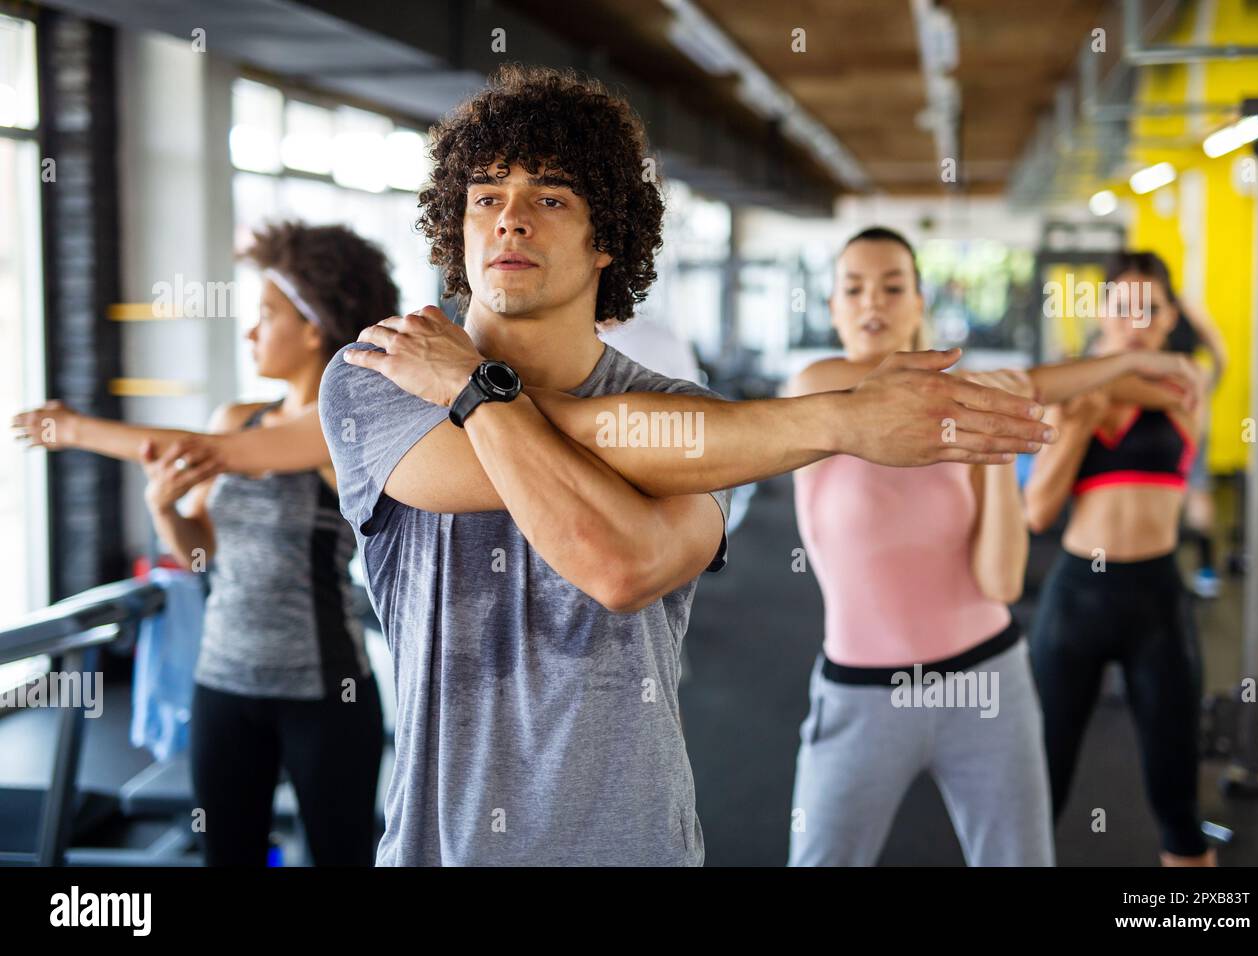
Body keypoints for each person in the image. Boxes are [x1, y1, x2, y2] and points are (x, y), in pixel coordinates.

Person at [316, 64, 1056, 866]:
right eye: (486, 197)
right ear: (456, 226)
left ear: (607, 240)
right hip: (443, 848)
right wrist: (832, 421)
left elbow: (623, 564)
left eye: (551, 197)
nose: (510, 220)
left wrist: (474, 392)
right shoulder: (381, 375)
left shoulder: (673, 410)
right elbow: (600, 509)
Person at [785, 227, 1201, 866]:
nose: (874, 302)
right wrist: (1124, 364)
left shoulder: (971, 407)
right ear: (833, 306)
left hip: (987, 680)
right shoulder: (813, 388)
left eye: (894, 287)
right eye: (854, 288)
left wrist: (1004, 451)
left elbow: (1002, 584)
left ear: (919, 302)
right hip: (862, 693)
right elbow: (1029, 383)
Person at [11, 221, 393, 865]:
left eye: (266, 315)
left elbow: (205, 453)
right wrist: (162, 508)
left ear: (313, 326)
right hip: (223, 682)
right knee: (226, 857)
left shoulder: (342, 431)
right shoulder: (236, 418)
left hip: (324, 691)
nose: (249, 331)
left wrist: (75, 428)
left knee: (341, 858)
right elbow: (203, 551)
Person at [1025, 250, 1215, 866]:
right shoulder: (1073, 395)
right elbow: (1037, 513)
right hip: (1077, 598)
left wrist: (1083, 382)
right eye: (1123, 305)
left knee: (1178, 801)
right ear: (1102, 311)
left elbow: (1173, 383)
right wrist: (1075, 422)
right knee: (1035, 792)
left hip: (1157, 601)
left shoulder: (1186, 384)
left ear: (1169, 319)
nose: (1137, 319)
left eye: (1151, 308)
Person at [1165, 290, 1228, 597]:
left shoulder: (1164, 309)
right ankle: (1205, 571)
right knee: (1193, 486)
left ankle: (1197, 570)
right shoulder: (1184, 309)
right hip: (1188, 395)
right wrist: (1207, 383)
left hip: (1179, 397)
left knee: (1182, 487)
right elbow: (1219, 353)